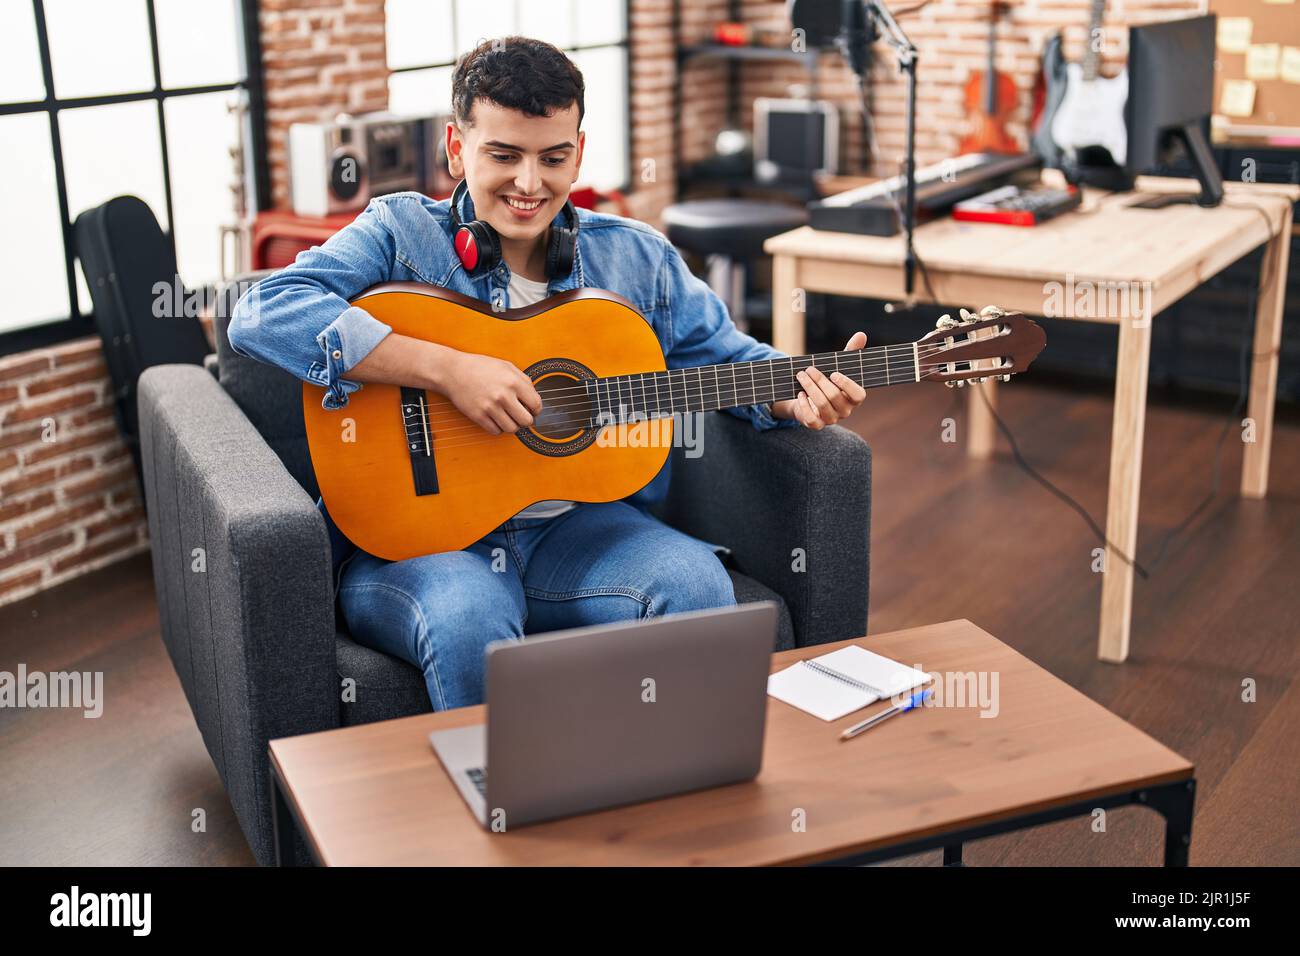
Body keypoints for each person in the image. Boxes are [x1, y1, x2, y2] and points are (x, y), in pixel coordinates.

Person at [229, 36, 867, 711]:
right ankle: (499, 813)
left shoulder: (636, 259)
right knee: (466, 620)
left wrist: (792, 394)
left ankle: (665, 793)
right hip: (420, 543)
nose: (530, 184)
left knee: (699, 588)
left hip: (577, 533)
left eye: (552, 158)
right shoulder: (397, 233)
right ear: (456, 149)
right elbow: (261, 312)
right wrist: (447, 369)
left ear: (579, 153)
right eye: (503, 156)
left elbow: (726, 357)